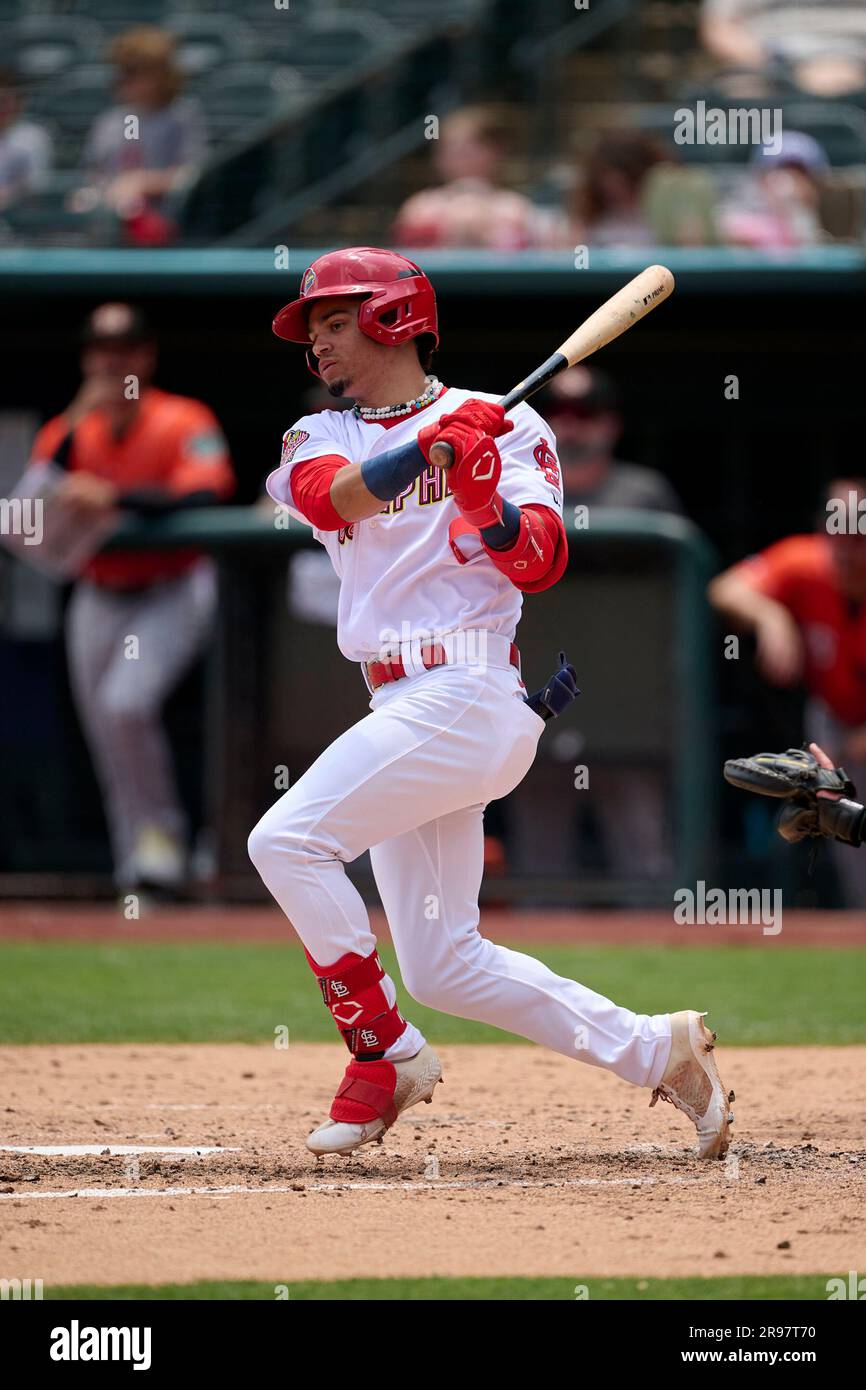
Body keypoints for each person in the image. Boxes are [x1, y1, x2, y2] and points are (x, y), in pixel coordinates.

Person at [249, 245, 734, 1161]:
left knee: (285, 841)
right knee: (444, 964)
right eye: (311, 331)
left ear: (395, 317)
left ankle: (380, 1052)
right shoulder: (321, 435)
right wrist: (422, 457)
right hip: (400, 705)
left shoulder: (509, 428)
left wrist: (480, 496)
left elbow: (541, 560)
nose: (318, 347)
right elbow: (329, 502)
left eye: (334, 322)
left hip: (470, 689)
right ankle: (657, 1048)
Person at [29, 303, 235, 895]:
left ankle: (164, 842)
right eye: (100, 350)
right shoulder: (72, 430)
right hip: (97, 590)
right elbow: (29, 506)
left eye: (123, 349)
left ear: (144, 356)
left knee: (125, 705)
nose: (111, 361)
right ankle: (139, 869)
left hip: (171, 587)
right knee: (104, 727)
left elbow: (203, 497)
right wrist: (74, 419)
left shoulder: (181, 418)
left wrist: (112, 496)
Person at [535, 366, 682, 883]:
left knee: (644, 859)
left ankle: (663, 958)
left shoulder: (644, 494)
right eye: (559, 415)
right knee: (540, 866)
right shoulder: (522, 489)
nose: (571, 428)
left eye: (586, 415)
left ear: (611, 425)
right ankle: (532, 963)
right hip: (537, 696)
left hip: (628, 703)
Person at [708, 476, 866, 904]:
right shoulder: (805, 562)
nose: (848, 548)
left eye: (859, 534)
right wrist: (770, 616)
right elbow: (725, 590)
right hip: (835, 720)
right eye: (839, 532)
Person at [76, 27, 206, 244]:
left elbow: (192, 175)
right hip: (108, 226)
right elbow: (92, 173)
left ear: (159, 74)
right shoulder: (109, 121)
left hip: (163, 229)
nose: (123, 78)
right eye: (121, 70)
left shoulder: (182, 116)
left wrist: (142, 182)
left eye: (133, 71)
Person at [391, 106, 550, 251]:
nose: (455, 158)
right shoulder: (420, 206)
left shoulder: (515, 207)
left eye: (466, 151)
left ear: (492, 153)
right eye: (447, 150)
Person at [700, 0, 866, 96]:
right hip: (766, 60)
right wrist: (763, 62)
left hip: (851, 56)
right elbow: (719, 25)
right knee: (741, 90)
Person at [719, 131, 829, 250]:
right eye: (782, 173)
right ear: (760, 178)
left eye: (800, 175)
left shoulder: (833, 222)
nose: (790, 185)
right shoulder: (736, 223)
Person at [570, 131, 673, 250]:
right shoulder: (589, 219)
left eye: (624, 183)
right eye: (606, 183)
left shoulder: (666, 216)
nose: (614, 190)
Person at [0, 65, 52, 211]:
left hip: (24, 216)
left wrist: (8, 194)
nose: (1, 107)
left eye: (5, 100)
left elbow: (37, 185)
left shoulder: (33, 137)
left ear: (19, 101)